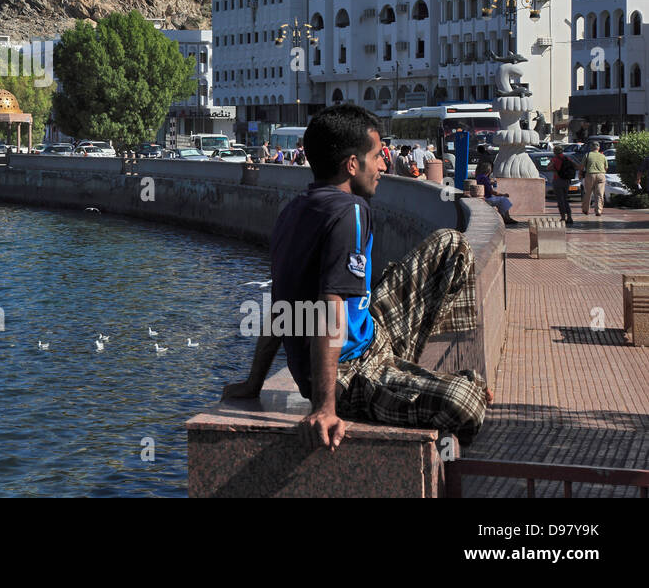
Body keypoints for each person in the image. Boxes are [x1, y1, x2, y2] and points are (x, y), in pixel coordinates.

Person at [221, 104, 491, 450]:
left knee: (450, 245)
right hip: (349, 372)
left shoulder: (294, 209)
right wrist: (325, 406)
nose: (383, 166)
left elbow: (280, 306)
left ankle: (437, 372)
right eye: (377, 156)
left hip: (367, 332)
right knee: (465, 403)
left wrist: (253, 383)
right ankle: (449, 382)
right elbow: (327, 308)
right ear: (352, 164)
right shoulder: (351, 212)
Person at [475, 159, 520, 225]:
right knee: (503, 199)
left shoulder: (480, 177)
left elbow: (485, 185)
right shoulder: (484, 178)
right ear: (489, 170)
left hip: (483, 197)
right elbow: (492, 192)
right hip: (486, 198)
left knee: (500, 201)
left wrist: (490, 183)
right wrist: (503, 195)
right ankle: (507, 218)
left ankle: (505, 217)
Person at [550, 145, 577, 226]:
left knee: (560, 200)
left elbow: (548, 168)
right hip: (566, 181)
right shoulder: (567, 158)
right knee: (565, 199)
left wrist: (554, 169)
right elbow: (575, 166)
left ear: (554, 152)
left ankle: (563, 217)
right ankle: (569, 216)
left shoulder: (554, 159)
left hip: (558, 180)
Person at [581, 141, 608, 217]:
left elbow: (582, 167)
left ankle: (586, 210)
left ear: (591, 147)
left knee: (588, 193)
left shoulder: (587, 155)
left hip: (590, 175)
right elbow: (606, 167)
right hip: (601, 175)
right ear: (598, 148)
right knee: (599, 194)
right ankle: (598, 211)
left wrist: (580, 173)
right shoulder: (603, 156)